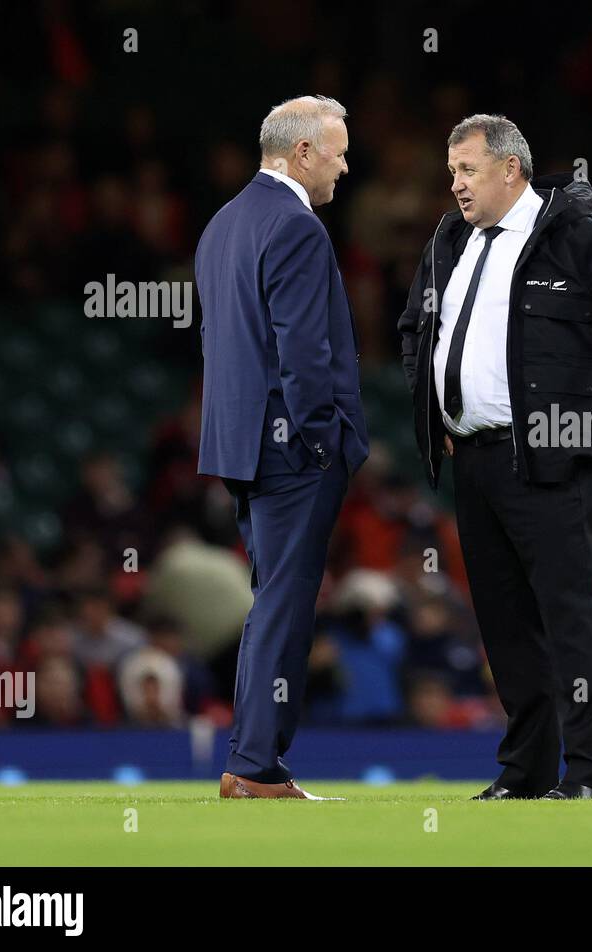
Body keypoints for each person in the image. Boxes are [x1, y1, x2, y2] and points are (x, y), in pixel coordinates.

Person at [398, 114, 592, 798]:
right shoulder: (448, 239)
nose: (456, 185)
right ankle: (526, 772)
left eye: (468, 170)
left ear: (511, 169)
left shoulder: (578, 233)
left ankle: (589, 773)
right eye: (452, 173)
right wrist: (434, 405)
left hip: (552, 456)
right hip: (471, 459)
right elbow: (416, 326)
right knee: (503, 623)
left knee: (569, 616)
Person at [195, 95, 368, 799]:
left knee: (272, 598)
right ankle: (256, 765)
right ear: (302, 153)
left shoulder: (223, 222)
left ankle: (253, 757)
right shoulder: (296, 226)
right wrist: (321, 437)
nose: (345, 165)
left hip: (241, 443)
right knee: (286, 601)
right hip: (290, 446)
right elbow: (304, 349)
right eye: (339, 150)